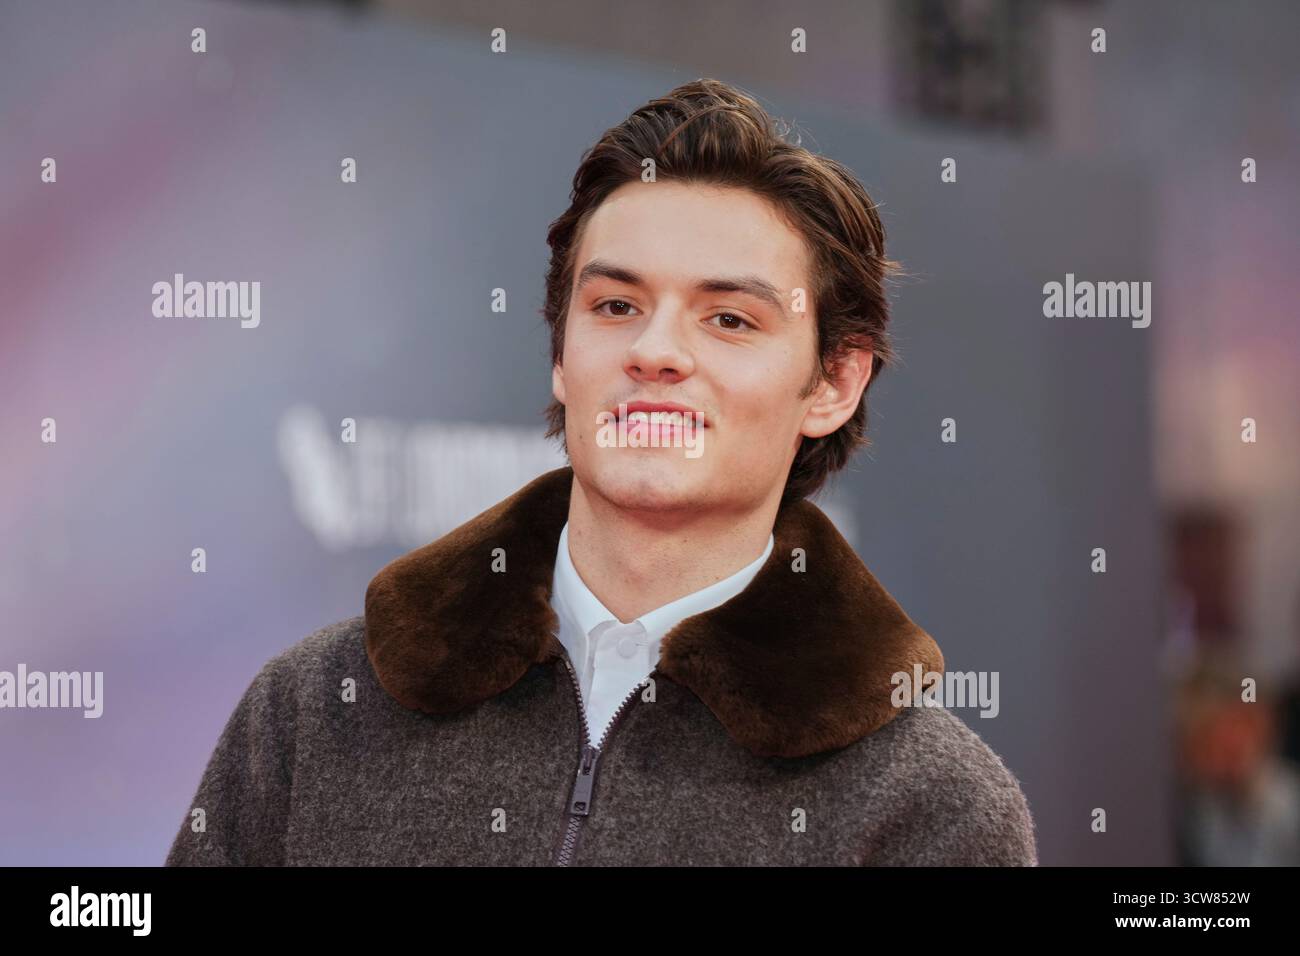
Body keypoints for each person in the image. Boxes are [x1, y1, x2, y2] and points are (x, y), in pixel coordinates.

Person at [165, 77, 1037, 866]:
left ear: (835, 381)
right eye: (615, 306)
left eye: (729, 319)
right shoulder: (316, 712)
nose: (655, 352)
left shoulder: (933, 806)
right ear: (560, 354)